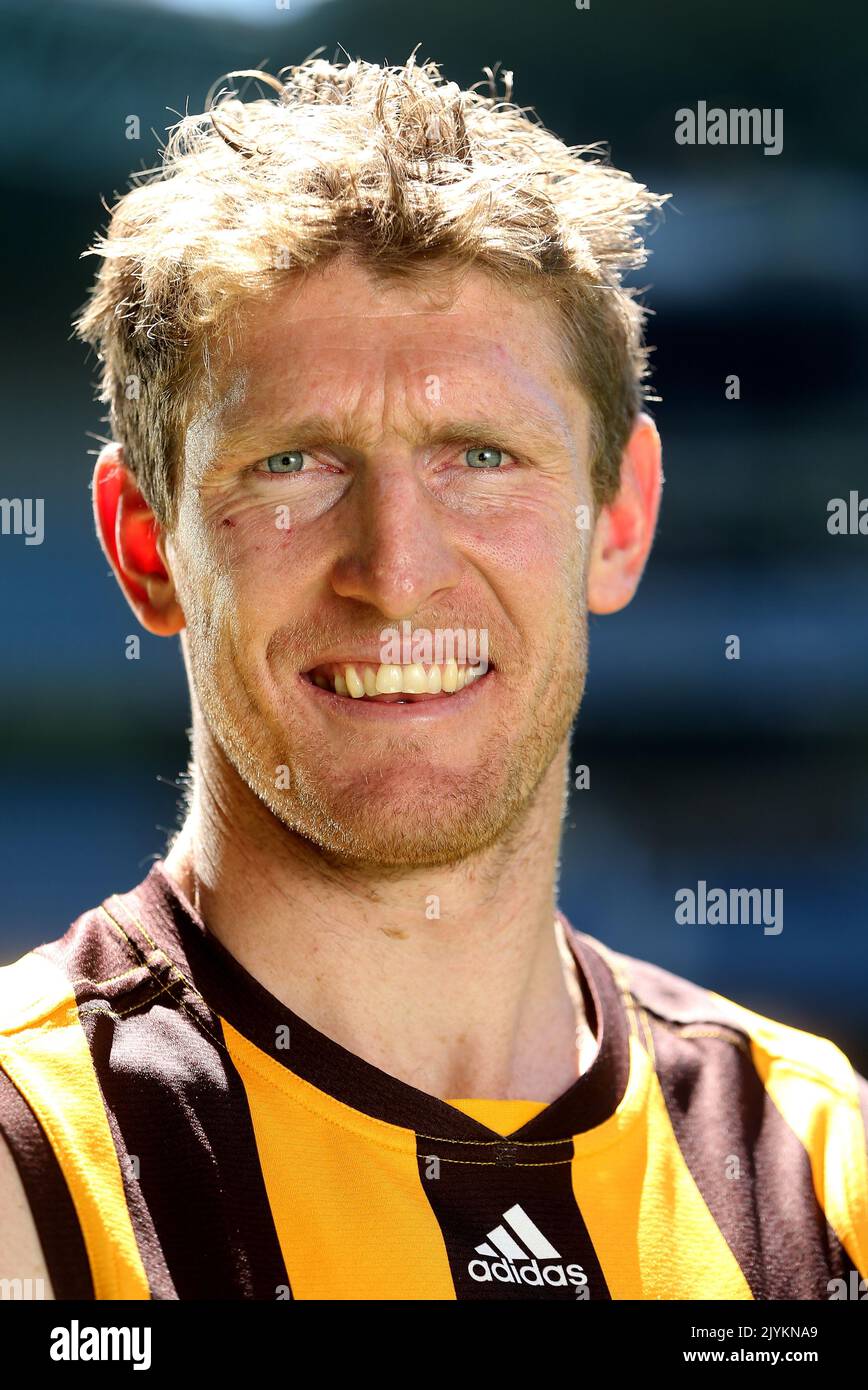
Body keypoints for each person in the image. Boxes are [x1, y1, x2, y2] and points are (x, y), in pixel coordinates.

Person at [1, 53, 866, 1302]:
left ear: (618, 518)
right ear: (150, 547)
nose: (395, 573)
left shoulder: (819, 1167)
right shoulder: (33, 1157)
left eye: (479, 453)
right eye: (293, 462)